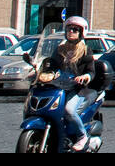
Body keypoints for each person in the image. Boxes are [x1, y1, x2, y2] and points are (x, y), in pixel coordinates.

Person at [38, 15, 97, 151]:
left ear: (81, 32)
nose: (71, 32)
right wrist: (40, 71)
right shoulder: (60, 49)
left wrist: (85, 77)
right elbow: (51, 64)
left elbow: (91, 71)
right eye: (69, 29)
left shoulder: (85, 50)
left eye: (75, 29)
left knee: (68, 111)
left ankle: (82, 136)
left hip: (77, 88)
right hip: (59, 86)